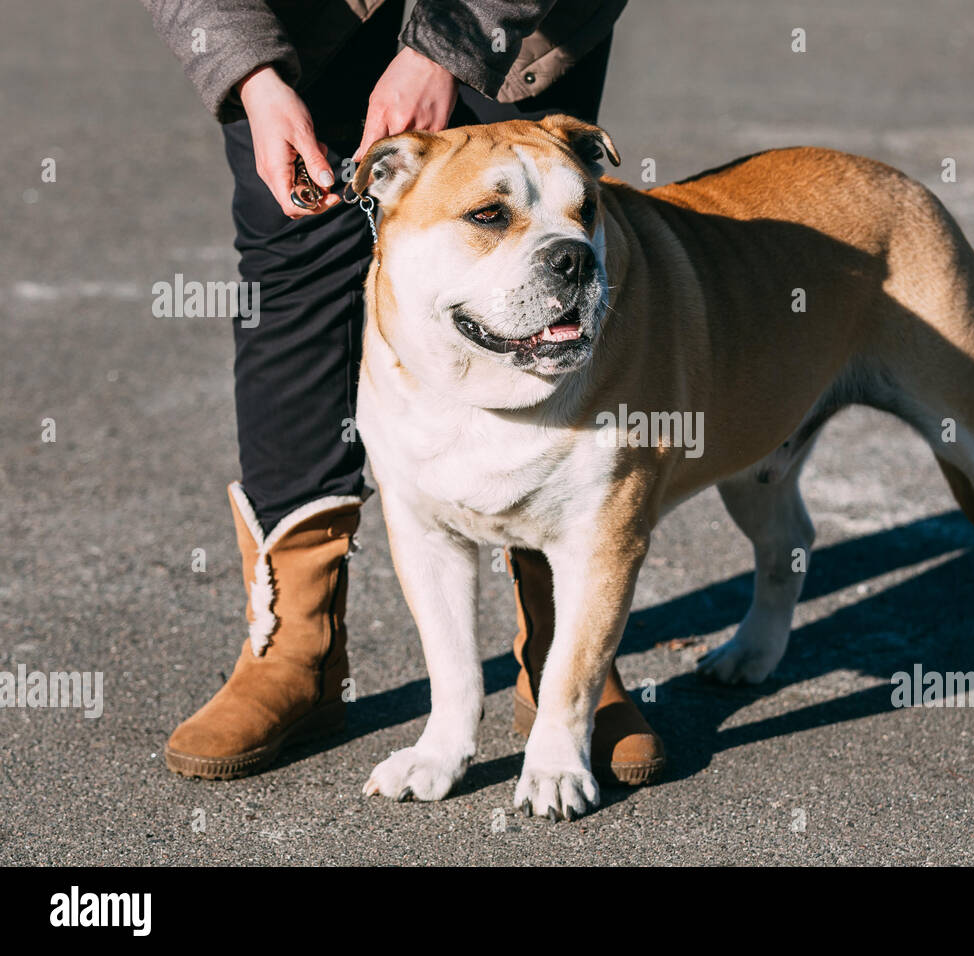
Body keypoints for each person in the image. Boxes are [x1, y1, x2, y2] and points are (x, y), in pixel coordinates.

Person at [141, 0, 665, 788]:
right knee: (292, 267)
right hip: (300, 26)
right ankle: (299, 647)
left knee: (540, 223)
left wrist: (449, 44)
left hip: (509, 15)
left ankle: (565, 663)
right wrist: (247, 71)